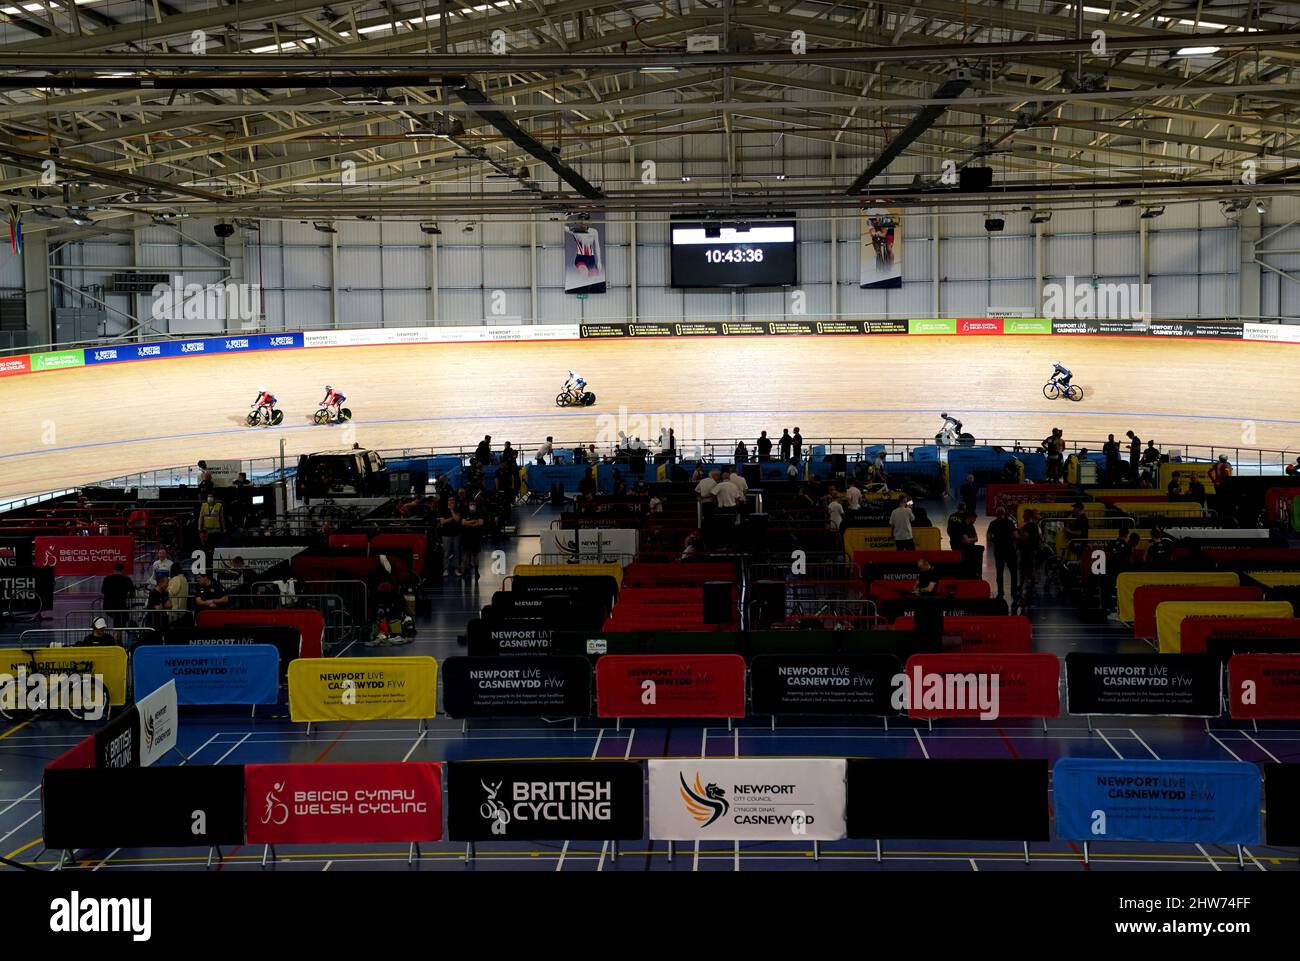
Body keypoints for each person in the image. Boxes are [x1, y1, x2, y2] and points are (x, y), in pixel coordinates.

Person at [987, 506, 1019, 600]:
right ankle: (1013, 592)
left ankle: (1000, 592)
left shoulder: (993, 523)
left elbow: (989, 537)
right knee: (1013, 572)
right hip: (1010, 550)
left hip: (999, 550)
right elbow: (1016, 536)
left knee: (999, 572)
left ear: (996, 514)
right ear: (1004, 513)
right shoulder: (1009, 523)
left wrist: (995, 540)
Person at [100, 563, 135, 627]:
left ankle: (117, 634)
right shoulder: (127, 579)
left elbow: (103, 591)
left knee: (118, 623)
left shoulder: (107, 579)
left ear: (114, 570)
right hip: (121, 606)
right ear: (123, 570)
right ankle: (117, 635)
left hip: (108, 606)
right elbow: (132, 594)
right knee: (120, 623)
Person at [460, 501, 485, 578]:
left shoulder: (479, 513)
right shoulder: (465, 513)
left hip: (476, 537)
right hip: (467, 537)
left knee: (475, 555)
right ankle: (466, 571)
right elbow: (463, 523)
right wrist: (474, 521)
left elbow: (480, 523)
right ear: (468, 505)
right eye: (471, 504)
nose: (472, 506)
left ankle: (476, 571)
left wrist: (469, 524)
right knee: (466, 554)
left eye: (473, 504)